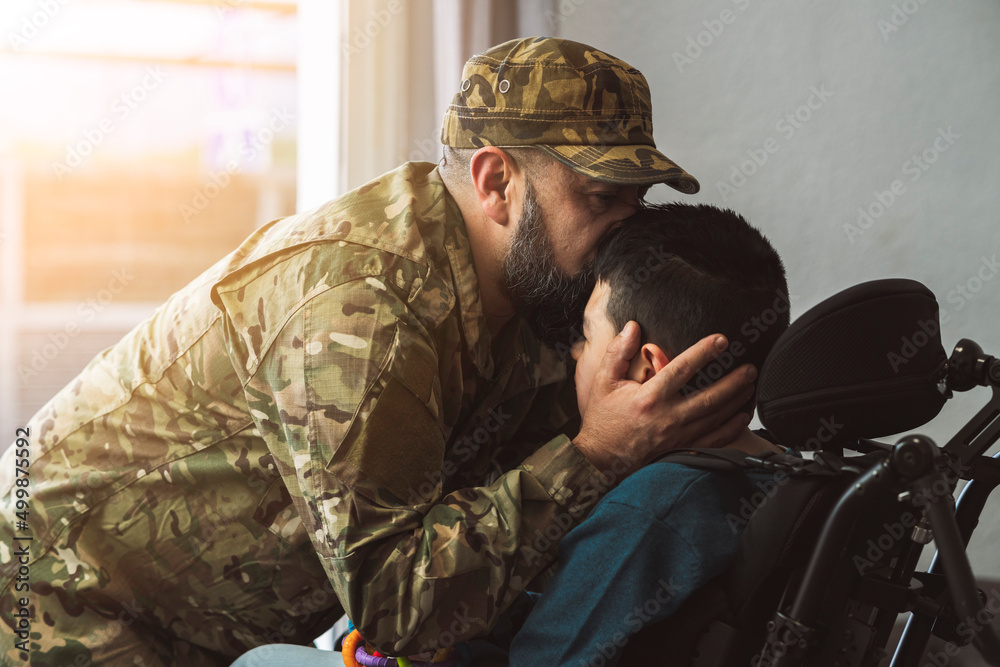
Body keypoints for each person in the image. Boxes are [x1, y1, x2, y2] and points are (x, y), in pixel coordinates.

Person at [0, 38, 756, 666]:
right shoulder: (359, 307)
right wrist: (594, 454)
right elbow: (402, 609)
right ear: (498, 182)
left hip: (208, 632)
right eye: (600, 198)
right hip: (56, 600)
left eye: (637, 200)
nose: (627, 231)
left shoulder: (535, 294)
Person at [508, 203, 793, 667]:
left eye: (586, 334)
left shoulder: (651, 508)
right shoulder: (784, 470)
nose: (576, 352)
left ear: (646, 370)